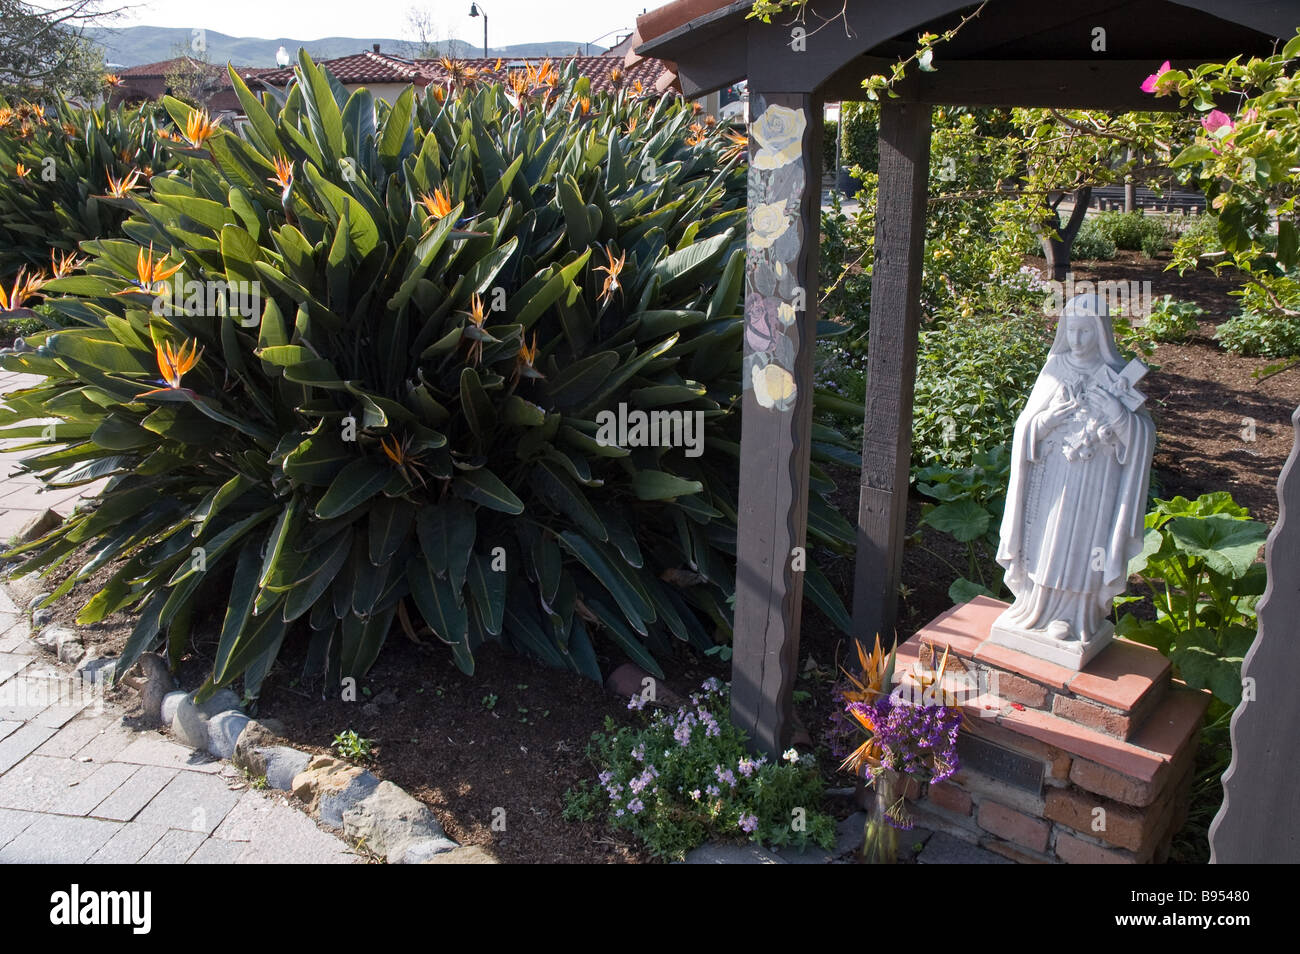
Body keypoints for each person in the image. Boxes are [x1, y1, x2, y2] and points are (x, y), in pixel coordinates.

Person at [992, 294, 1155, 662]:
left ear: (1100, 333)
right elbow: (1025, 428)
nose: (1078, 340)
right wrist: (1047, 422)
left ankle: (1074, 615)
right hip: (1055, 476)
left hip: (1097, 482)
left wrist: (1116, 415)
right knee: (1050, 538)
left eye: (1086, 331)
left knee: (1084, 542)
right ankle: (1038, 605)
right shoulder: (1055, 369)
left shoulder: (1116, 376)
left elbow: (1143, 436)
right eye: (1072, 331)